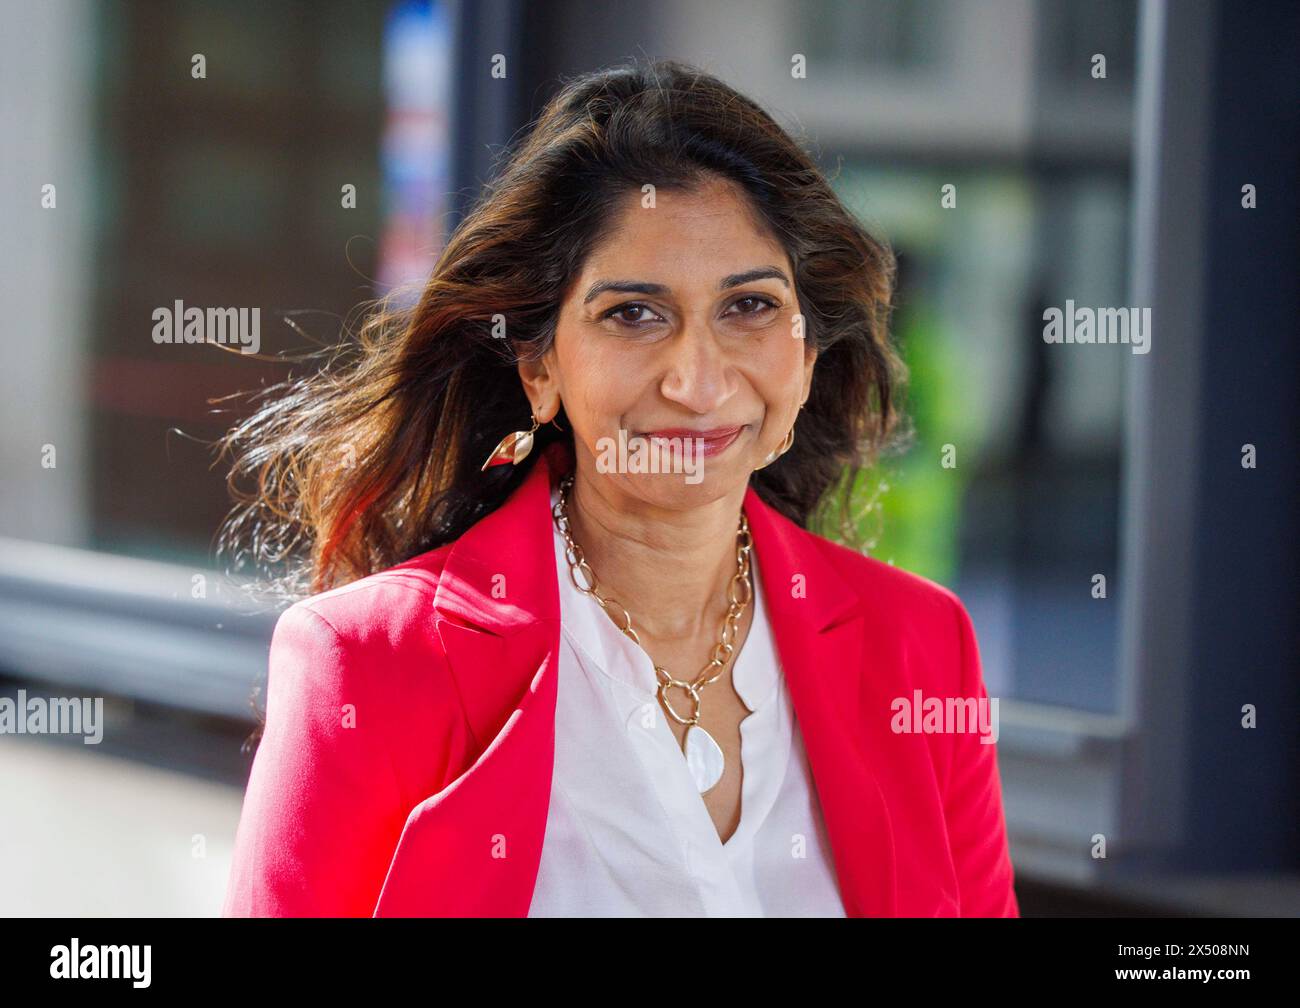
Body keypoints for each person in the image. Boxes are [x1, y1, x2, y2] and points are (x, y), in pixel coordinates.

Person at [219, 58, 1019, 918]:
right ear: (539, 367)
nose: (698, 381)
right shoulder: (369, 662)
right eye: (634, 314)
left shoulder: (923, 645)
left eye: (748, 307)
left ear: (808, 354)